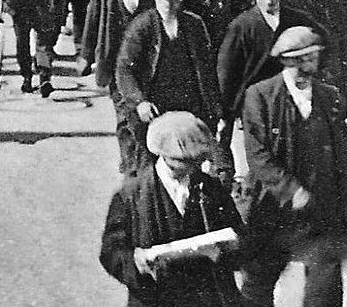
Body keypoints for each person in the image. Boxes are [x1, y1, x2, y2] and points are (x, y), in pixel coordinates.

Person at [238, 26, 347, 307]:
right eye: (302, 60)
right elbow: (258, 155)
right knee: (257, 284)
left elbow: (343, 154)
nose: (309, 66)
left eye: (313, 58)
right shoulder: (260, 96)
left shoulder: (329, 97)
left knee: (325, 289)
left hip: (320, 210)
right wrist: (292, 190)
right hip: (271, 207)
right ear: (286, 61)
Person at [99, 111, 248, 307]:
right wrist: (137, 264)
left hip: (206, 295)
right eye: (181, 163)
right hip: (155, 297)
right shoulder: (131, 194)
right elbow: (111, 252)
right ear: (163, 154)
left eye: (195, 162)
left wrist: (228, 248)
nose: (190, 169)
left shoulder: (210, 188)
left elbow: (237, 235)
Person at [113, 0, 223, 176]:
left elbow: (207, 70)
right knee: (149, 165)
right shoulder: (141, 26)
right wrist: (140, 102)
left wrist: (214, 108)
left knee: (191, 160)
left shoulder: (194, 24)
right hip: (154, 105)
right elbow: (124, 69)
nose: (169, 2)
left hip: (187, 102)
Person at [215, 0, 316, 181]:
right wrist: (226, 110)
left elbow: (323, 46)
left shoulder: (297, 21)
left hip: (290, 98)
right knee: (260, 155)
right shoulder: (242, 26)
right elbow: (227, 72)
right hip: (255, 102)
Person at [82, 0, 154, 174]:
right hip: (114, 59)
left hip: (144, 59)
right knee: (124, 111)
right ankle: (130, 160)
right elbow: (92, 21)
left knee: (141, 108)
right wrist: (87, 54)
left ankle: (140, 156)